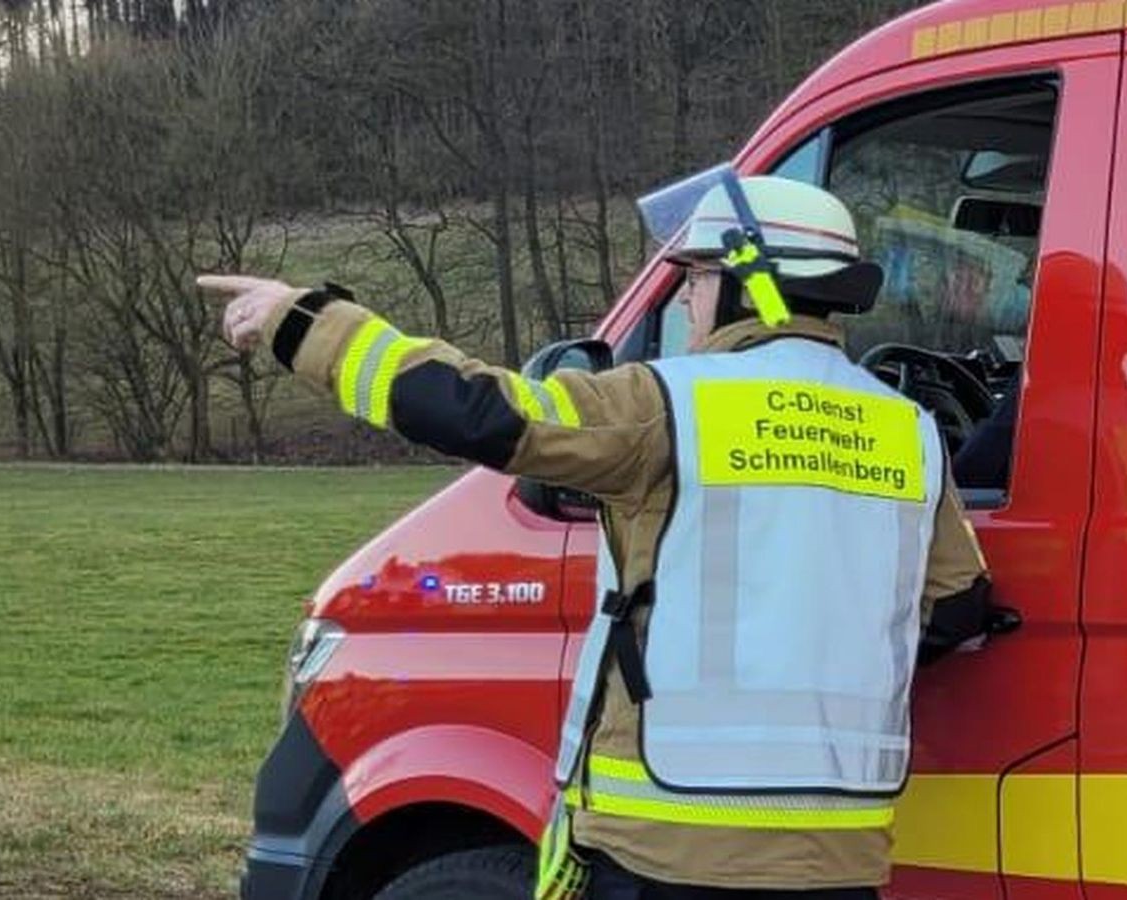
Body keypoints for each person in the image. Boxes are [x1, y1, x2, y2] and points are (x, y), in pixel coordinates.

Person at [201, 173, 996, 900]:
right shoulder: (909, 433)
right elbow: (959, 603)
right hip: (842, 860)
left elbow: (478, 410)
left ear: (751, 283)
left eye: (695, 280)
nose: (686, 302)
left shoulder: (663, 405)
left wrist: (302, 322)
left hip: (663, 847)